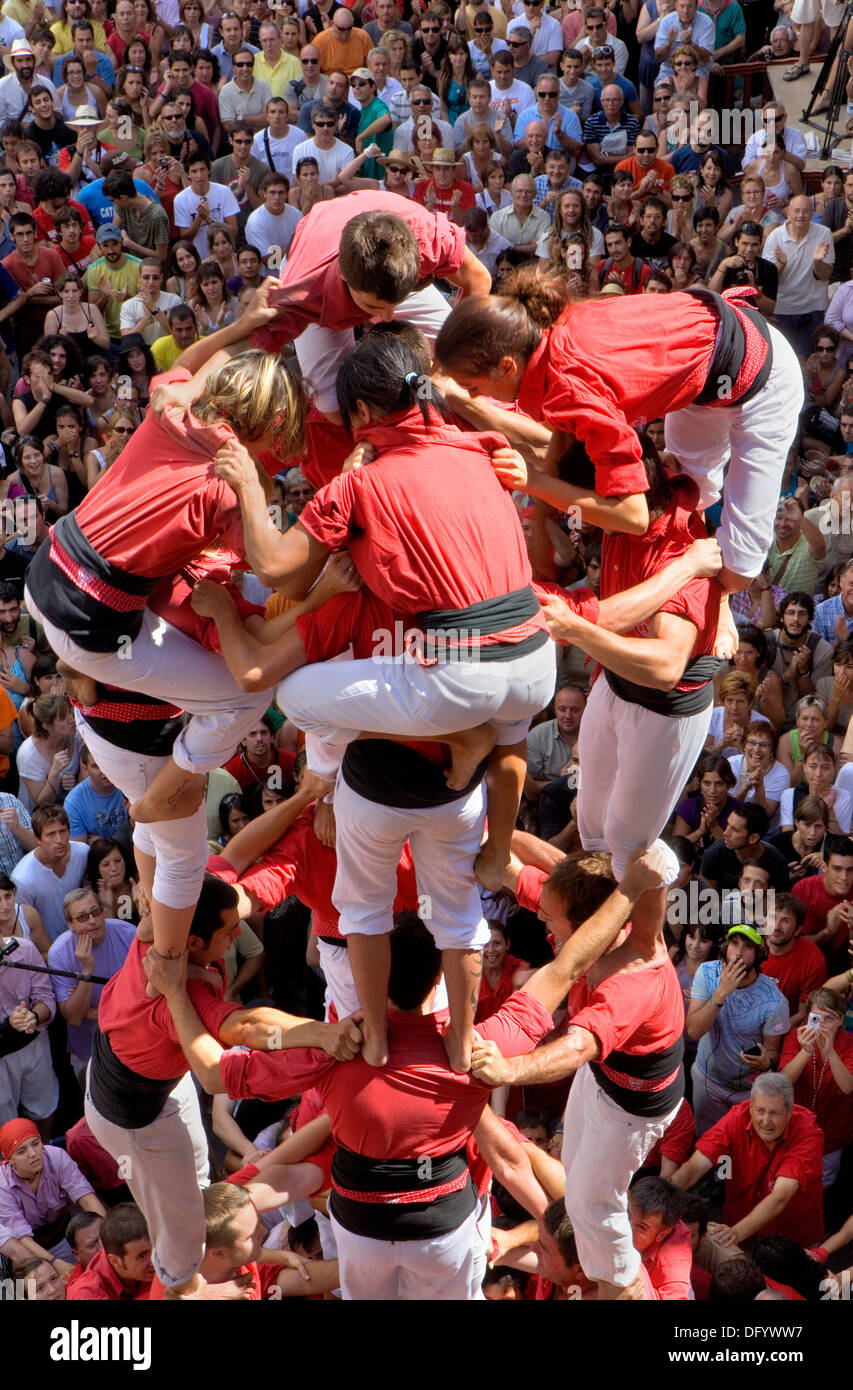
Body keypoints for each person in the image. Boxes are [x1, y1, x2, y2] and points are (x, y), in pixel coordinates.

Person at [144, 851, 668, 1301]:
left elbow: (215, 1075)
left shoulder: (331, 1045)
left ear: (370, 976)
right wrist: (630, 891)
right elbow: (566, 969)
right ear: (439, 977)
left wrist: (174, 991)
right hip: (444, 1229)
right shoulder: (479, 1048)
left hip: (361, 1232)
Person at [434, 263, 803, 593]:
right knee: (691, 498)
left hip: (764, 379)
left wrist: (534, 483)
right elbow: (563, 431)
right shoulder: (545, 332)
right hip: (705, 376)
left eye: (473, 388)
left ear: (506, 368)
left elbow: (633, 516)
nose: (474, 397)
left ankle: (717, 607)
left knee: (740, 569)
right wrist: (542, 523)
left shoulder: (571, 383)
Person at [84, 874, 362, 1297]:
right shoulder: (178, 993)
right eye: (229, 928)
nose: (240, 931)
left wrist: (305, 805)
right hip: (134, 1121)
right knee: (184, 1247)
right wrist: (324, 1039)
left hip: (155, 1079)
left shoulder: (164, 926)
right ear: (194, 944)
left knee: (198, 1186)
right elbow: (231, 1053)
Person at [671, 1074, 824, 1250]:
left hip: (788, 1235)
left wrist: (735, 1233)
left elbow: (780, 1197)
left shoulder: (808, 1134)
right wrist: (663, 1197)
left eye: (774, 1113)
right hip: (740, 1224)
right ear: (750, 1107)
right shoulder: (737, 1116)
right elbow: (694, 1167)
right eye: (760, 1111)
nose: (766, 1121)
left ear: (790, 1112)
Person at [687, 925, 790, 1134]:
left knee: (741, 1147)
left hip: (747, 1091)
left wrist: (766, 1061)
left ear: (760, 954)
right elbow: (694, 1031)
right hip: (707, 1080)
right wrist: (720, 993)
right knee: (705, 1141)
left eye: (747, 947)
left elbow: (773, 1052)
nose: (738, 953)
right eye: (734, 944)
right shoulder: (707, 973)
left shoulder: (775, 1001)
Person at [46, 886, 134, 1079]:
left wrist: (96, 1012)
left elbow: (145, 989)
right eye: (83, 917)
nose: (92, 921)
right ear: (70, 923)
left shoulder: (127, 933)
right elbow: (74, 1017)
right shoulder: (59, 953)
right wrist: (87, 969)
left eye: (96, 912)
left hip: (132, 1039)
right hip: (89, 1050)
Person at [0, 1118, 104, 1274]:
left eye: (36, 1144)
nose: (33, 1154)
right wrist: (53, 1263)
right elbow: (22, 1237)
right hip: (27, 1248)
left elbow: (87, 1198)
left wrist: (110, 1235)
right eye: (22, 1151)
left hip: (63, 1234)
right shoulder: (2, 1186)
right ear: (9, 1159)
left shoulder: (57, 1157)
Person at [780, 987, 853, 1188]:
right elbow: (784, 1081)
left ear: (840, 1020)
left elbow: (847, 1086)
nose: (821, 1025)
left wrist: (829, 1050)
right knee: (789, 1178)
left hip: (832, 1134)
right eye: (816, 1018)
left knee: (821, 1183)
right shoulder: (796, 1036)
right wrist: (806, 1052)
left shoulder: (850, 1043)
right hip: (794, 1128)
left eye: (828, 1019)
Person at [67, 1201, 154, 1300]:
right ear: (115, 1261)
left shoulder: (159, 1260)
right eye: (142, 1256)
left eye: (155, 1250)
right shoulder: (85, 1294)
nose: (154, 1261)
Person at [63, 742, 128, 843]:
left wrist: (104, 841)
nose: (104, 771)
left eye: (107, 764)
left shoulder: (129, 784)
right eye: (96, 766)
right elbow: (80, 848)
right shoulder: (74, 802)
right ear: (85, 768)